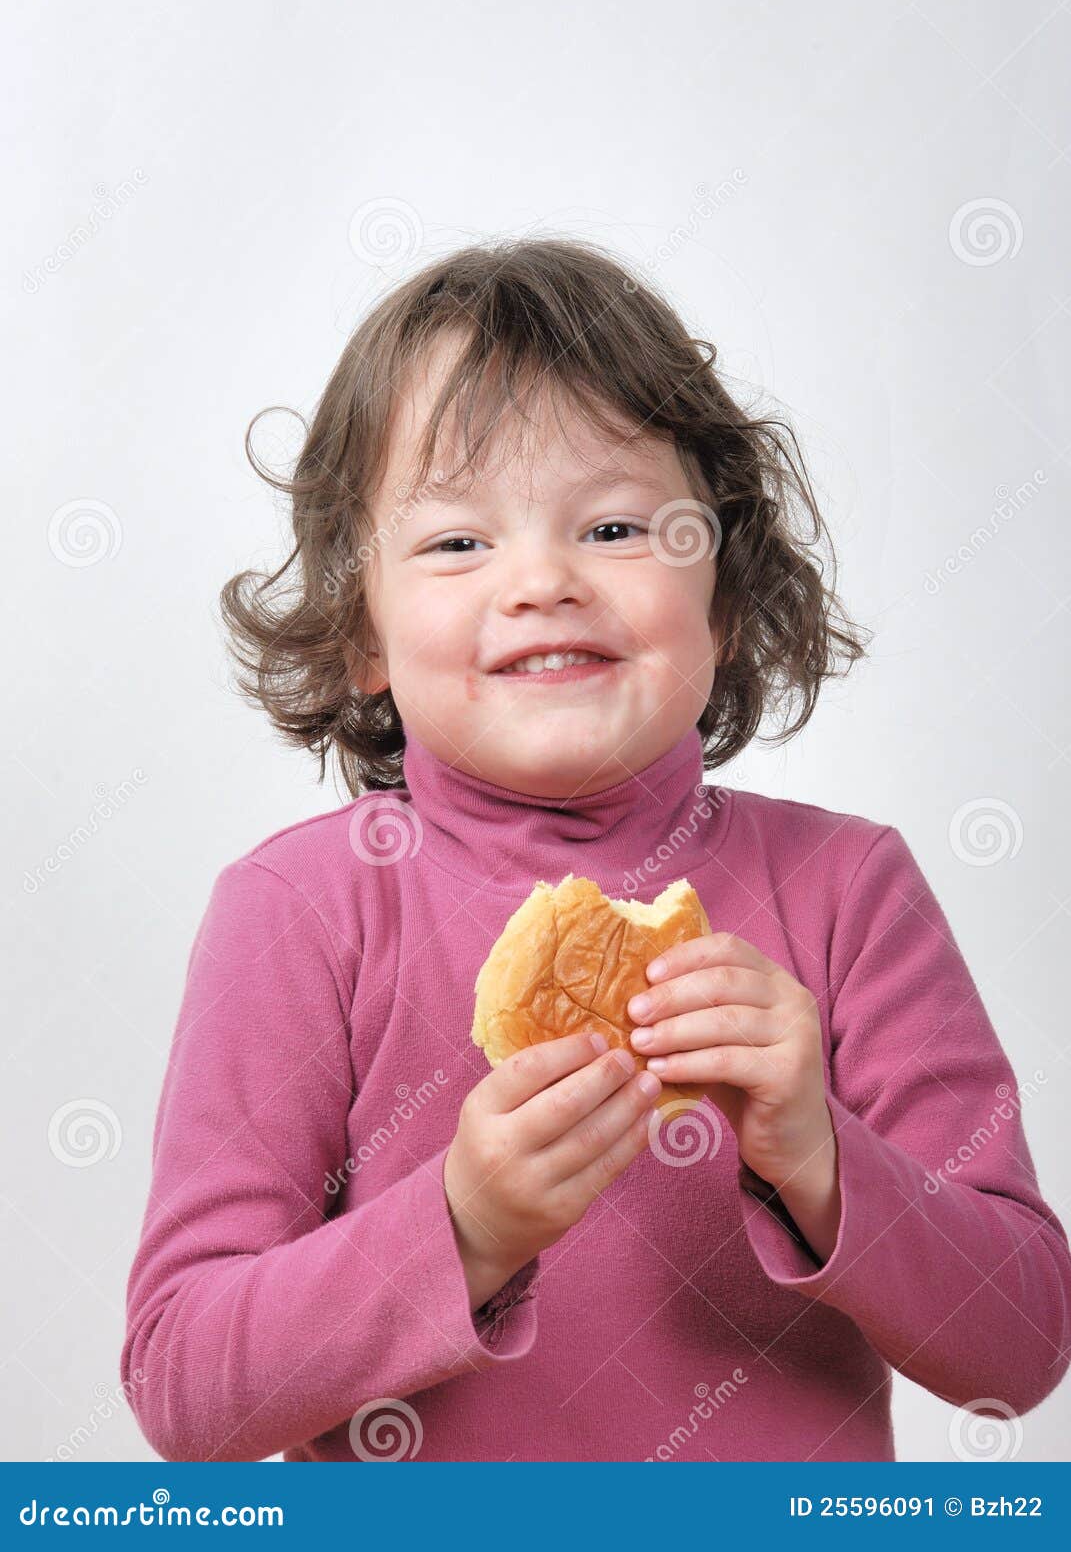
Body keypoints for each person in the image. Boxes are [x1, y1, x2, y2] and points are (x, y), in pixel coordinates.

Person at [121, 237, 1071, 1462]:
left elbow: (1024, 1345)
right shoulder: (297, 909)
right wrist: (463, 1224)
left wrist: (821, 1155)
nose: (543, 580)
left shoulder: (847, 889)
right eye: (459, 542)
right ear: (364, 632)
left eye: (616, 525)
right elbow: (186, 1391)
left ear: (724, 602)